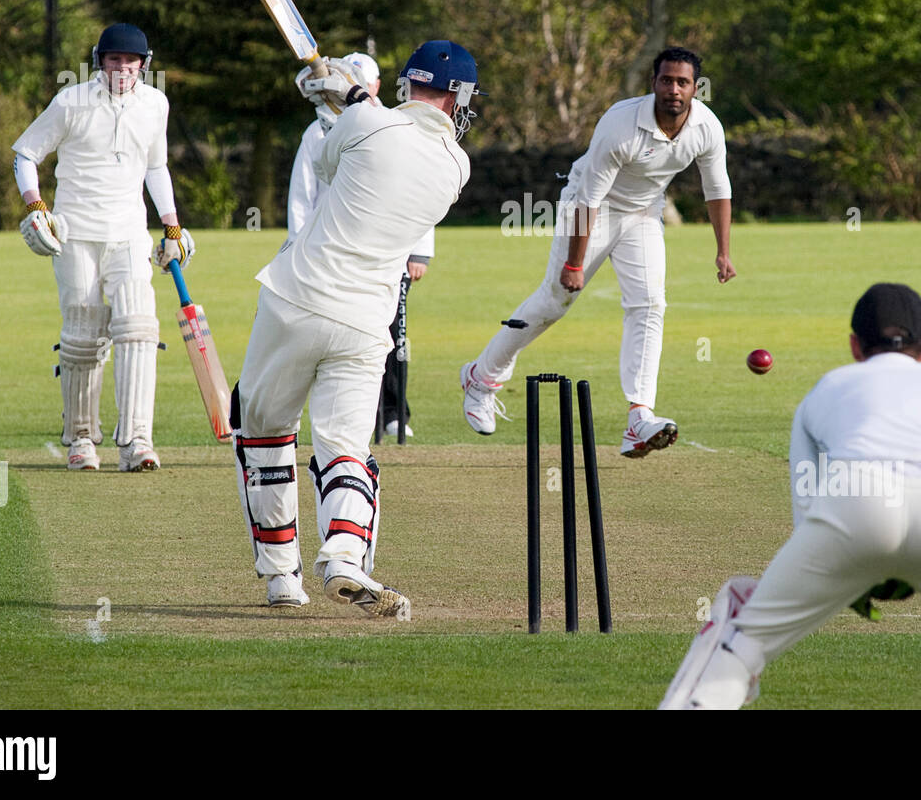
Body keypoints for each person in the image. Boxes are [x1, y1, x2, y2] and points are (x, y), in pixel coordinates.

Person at [660, 283, 921, 710]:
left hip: (853, 505)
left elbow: (806, 501)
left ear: (855, 346)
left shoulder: (828, 386)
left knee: (744, 628)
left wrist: (847, 571)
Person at [232, 41, 477, 612]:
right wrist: (350, 98)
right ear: (458, 96)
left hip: (296, 297)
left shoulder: (367, 121)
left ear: (408, 83)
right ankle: (344, 556)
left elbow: (327, 164)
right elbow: (384, 134)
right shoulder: (456, 167)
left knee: (266, 435)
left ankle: (281, 580)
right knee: (346, 447)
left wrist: (341, 100)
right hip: (368, 321)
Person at [460, 46, 735, 458]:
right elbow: (589, 198)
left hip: (644, 212)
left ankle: (639, 417)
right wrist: (574, 265)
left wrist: (723, 252)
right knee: (556, 301)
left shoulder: (706, 127)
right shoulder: (621, 123)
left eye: (683, 82)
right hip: (594, 207)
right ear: (654, 83)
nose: (673, 89)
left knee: (650, 304)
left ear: (696, 87)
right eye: (666, 80)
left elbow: (717, 189)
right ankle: (481, 376)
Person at [12, 23, 193, 473]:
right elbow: (26, 154)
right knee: (83, 334)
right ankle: (80, 437)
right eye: (114, 60)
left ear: (144, 64)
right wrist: (37, 207)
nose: (122, 68)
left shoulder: (155, 104)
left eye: (130, 61)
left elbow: (157, 168)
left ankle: (136, 441)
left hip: (129, 232)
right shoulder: (70, 102)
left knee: (138, 327)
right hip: (75, 233)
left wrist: (171, 226)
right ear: (100, 61)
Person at [285, 52, 432, 440]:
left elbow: (415, 192)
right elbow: (302, 196)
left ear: (376, 87)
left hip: (386, 251)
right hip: (326, 251)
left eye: (366, 84)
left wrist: (419, 251)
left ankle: (394, 413)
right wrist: (296, 244)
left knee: (391, 338)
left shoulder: (395, 126)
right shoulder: (317, 131)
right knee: (330, 335)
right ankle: (333, 419)